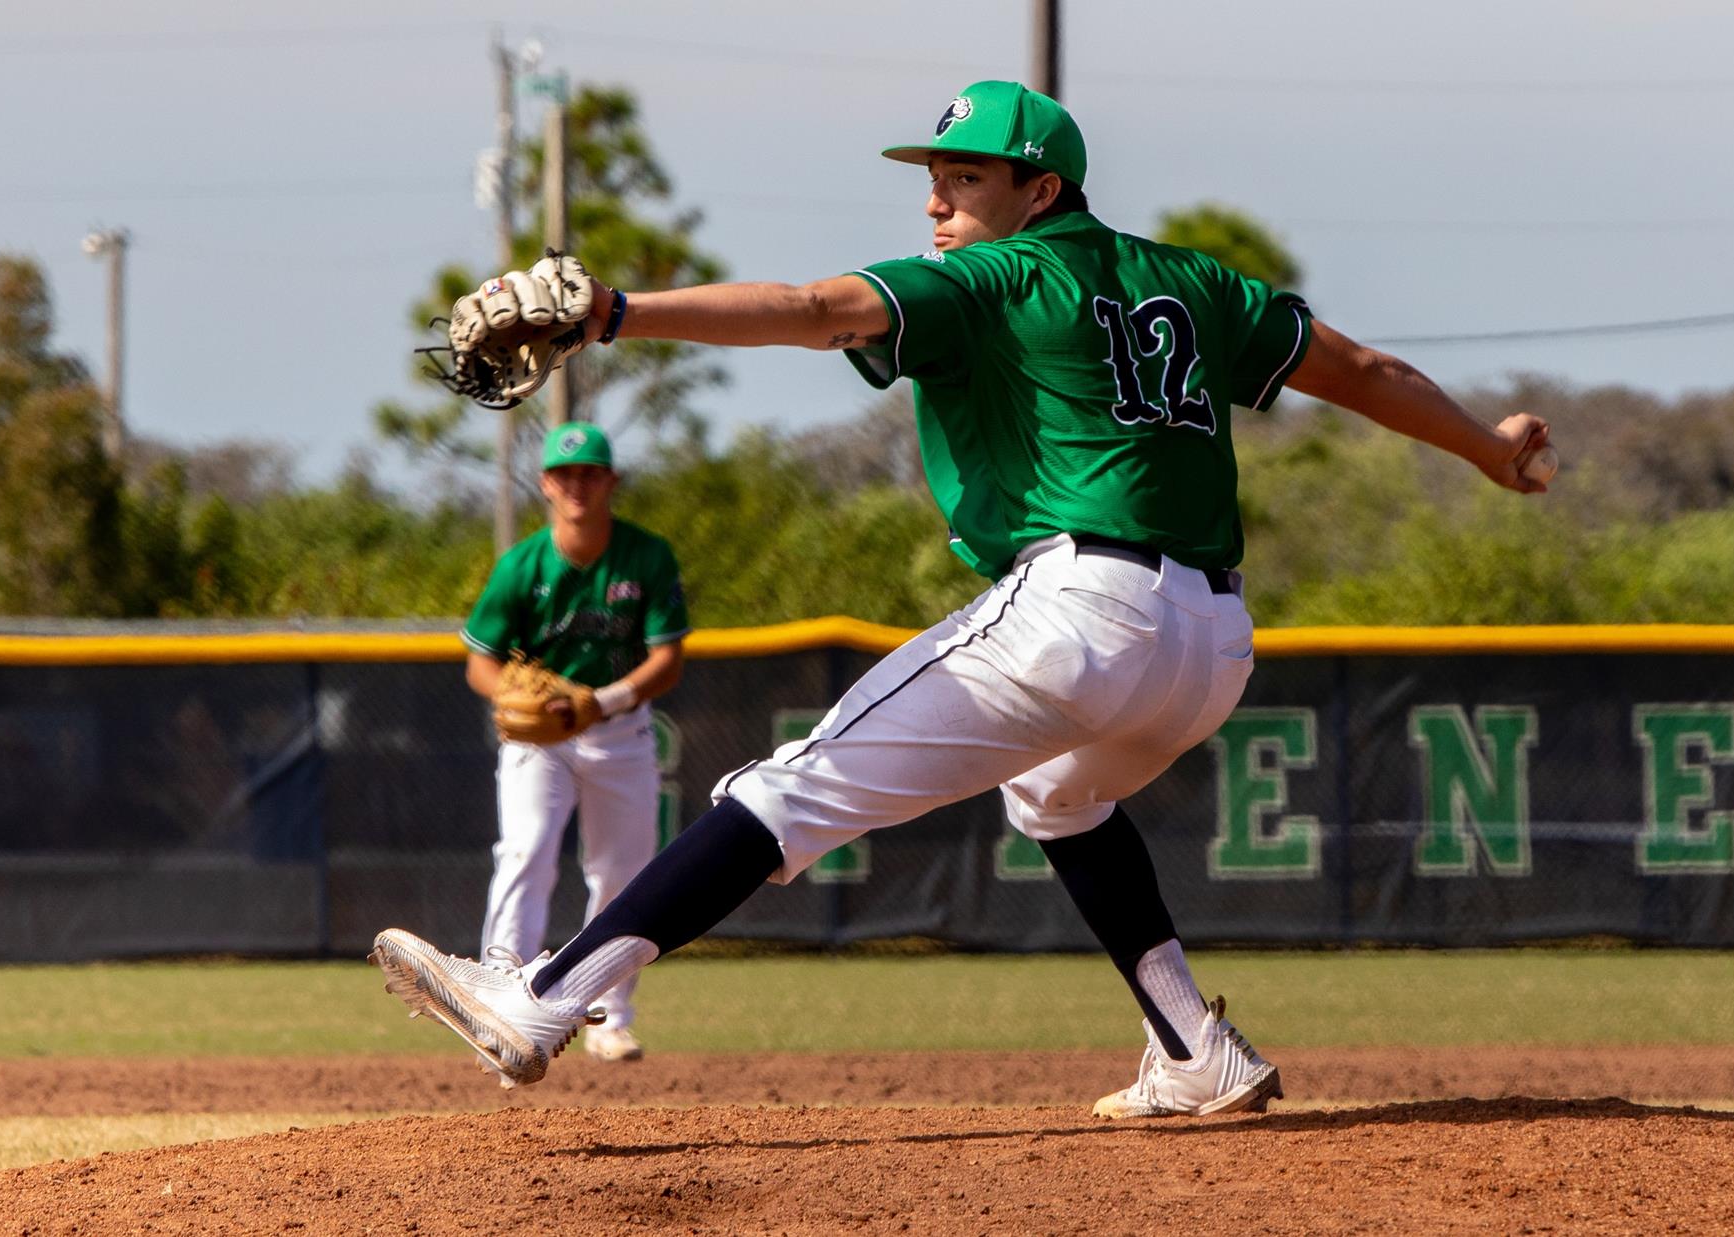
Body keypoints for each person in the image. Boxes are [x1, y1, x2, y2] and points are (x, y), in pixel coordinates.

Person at [376, 81, 1550, 1115]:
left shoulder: (994, 274)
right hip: (1213, 644)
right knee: (1055, 796)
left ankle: (540, 997)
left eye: (967, 176)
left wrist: (614, 314)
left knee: (784, 789)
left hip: (1083, 608)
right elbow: (1366, 372)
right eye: (932, 177)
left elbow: (811, 308)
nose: (937, 201)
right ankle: (1197, 1048)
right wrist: (1489, 450)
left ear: (1041, 189)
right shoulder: (1193, 280)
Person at [457, 422, 690, 1064]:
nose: (577, 484)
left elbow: (666, 659)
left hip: (620, 735)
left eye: (590, 472)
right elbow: (479, 661)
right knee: (526, 854)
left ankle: (610, 1016)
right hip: (542, 744)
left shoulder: (645, 556)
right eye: (565, 475)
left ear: (610, 481)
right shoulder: (523, 565)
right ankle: (499, 1007)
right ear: (545, 486)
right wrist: (512, 695)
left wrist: (602, 700)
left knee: (621, 874)